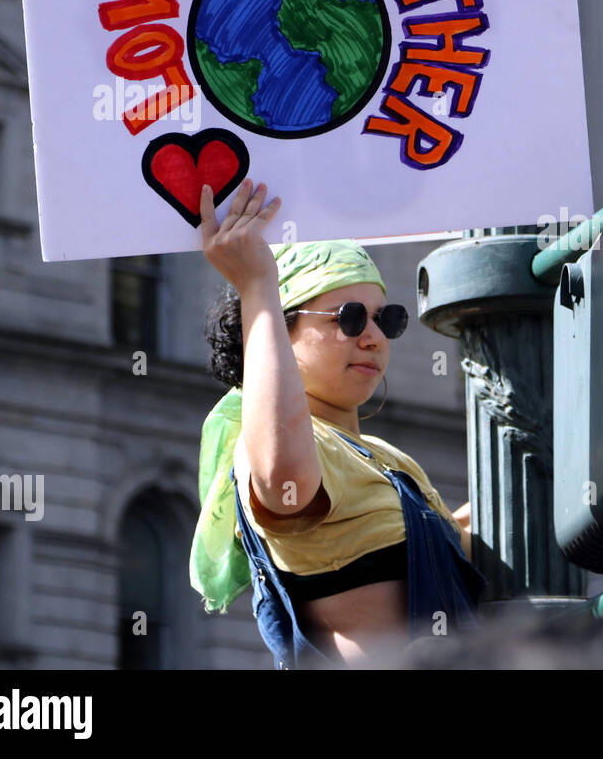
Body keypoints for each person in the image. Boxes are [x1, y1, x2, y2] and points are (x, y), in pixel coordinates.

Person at [188, 178, 486, 668]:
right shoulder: (266, 449)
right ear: (281, 329)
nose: (372, 338)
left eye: (384, 319)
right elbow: (284, 480)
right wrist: (257, 286)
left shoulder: (391, 459)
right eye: (347, 318)